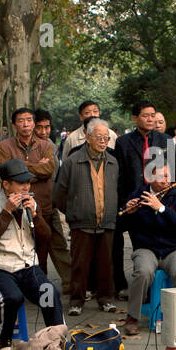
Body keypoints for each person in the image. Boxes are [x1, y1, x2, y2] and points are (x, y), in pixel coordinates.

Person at [0, 159, 65, 350]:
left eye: (28, 182)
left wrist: (35, 215)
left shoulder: (31, 203)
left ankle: (56, 338)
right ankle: (3, 336)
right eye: (21, 183)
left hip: (26, 265)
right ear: (6, 184)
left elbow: (45, 237)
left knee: (50, 293)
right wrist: (7, 211)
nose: (26, 187)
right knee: (12, 297)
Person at [119, 163, 176, 336]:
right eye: (161, 177)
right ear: (150, 179)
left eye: (168, 176)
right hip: (146, 247)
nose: (166, 181)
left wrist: (161, 208)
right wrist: (128, 212)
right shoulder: (139, 194)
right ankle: (132, 317)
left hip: (174, 248)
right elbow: (120, 226)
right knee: (143, 272)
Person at [55, 120, 120, 317]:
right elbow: (59, 194)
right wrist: (74, 213)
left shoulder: (112, 162)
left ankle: (106, 299)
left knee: (105, 264)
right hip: (81, 222)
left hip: (106, 221)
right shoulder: (72, 162)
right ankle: (76, 301)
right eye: (99, 137)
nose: (103, 141)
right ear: (88, 137)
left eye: (106, 138)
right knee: (80, 265)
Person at [0, 107, 62, 279]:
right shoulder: (5, 145)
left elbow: (48, 169)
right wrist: (36, 167)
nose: (25, 124)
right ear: (14, 125)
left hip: (42, 203)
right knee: (17, 246)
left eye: (28, 120)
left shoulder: (45, 145)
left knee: (42, 245)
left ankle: (40, 283)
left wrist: (18, 167)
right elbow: (6, 172)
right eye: (20, 120)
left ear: (33, 123)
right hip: (15, 203)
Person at [114, 102, 168, 296]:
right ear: (135, 118)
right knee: (134, 243)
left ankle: (151, 288)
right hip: (133, 198)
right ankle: (124, 285)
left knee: (153, 242)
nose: (151, 119)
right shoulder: (123, 142)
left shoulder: (164, 140)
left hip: (157, 197)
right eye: (146, 116)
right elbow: (119, 175)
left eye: (153, 115)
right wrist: (123, 201)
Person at [33, 107, 75, 292]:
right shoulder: (28, 146)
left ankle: (70, 283)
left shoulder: (51, 145)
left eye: (46, 127)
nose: (43, 131)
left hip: (52, 203)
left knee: (58, 243)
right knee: (37, 249)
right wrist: (38, 168)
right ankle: (38, 286)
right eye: (39, 127)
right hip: (33, 205)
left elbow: (52, 172)